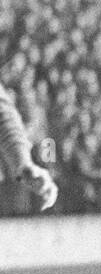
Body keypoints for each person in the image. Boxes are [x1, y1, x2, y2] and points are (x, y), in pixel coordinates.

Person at [0, 83, 59, 211]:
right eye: (25, 100)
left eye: (30, 100)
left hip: (23, 167)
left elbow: (4, 119)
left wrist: (24, 163)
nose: (27, 103)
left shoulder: (40, 122)